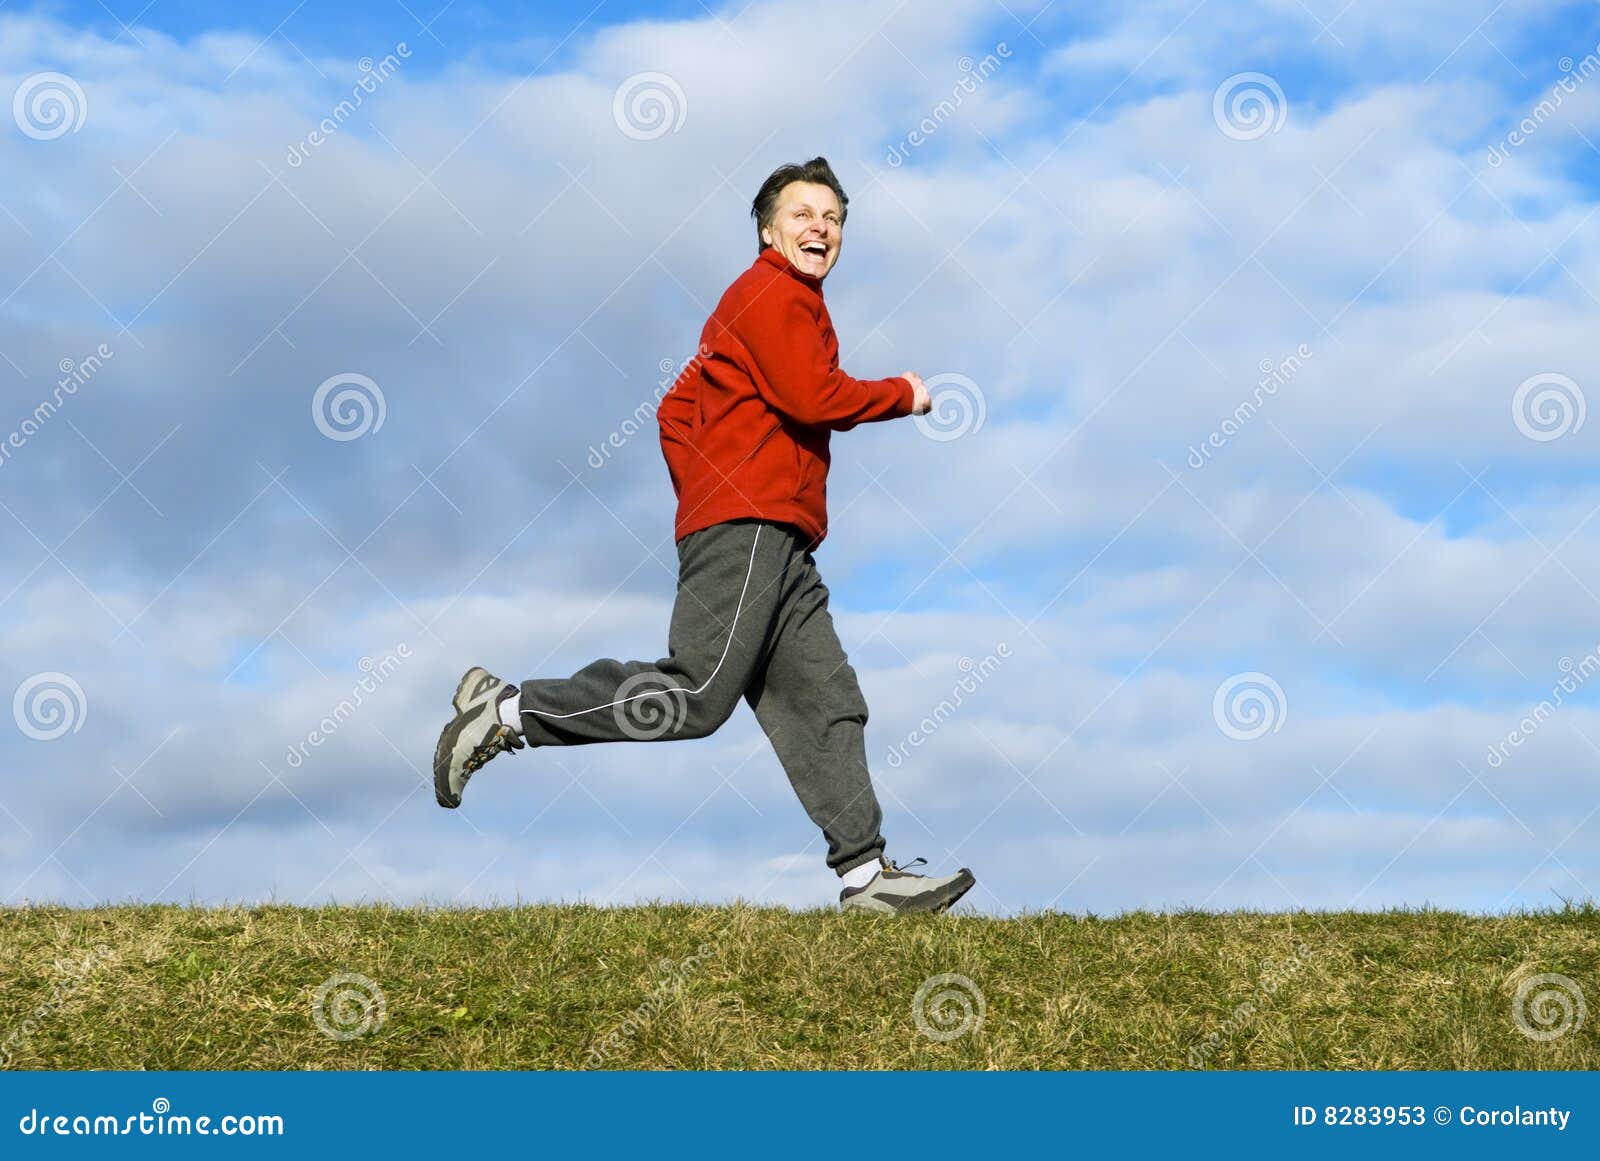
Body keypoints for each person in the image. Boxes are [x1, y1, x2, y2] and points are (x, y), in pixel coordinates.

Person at [433, 157, 975, 914]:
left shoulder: (772, 305)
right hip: (750, 528)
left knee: (826, 699)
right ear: (767, 228)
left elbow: (675, 408)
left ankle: (868, 877)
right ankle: (507, 712)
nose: (820, 227)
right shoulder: (771, 294)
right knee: (694, 693)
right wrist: (903, 396)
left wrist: (711, 485)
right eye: (802, 214)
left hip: (777, 535)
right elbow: (812, 396)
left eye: (834, 217)